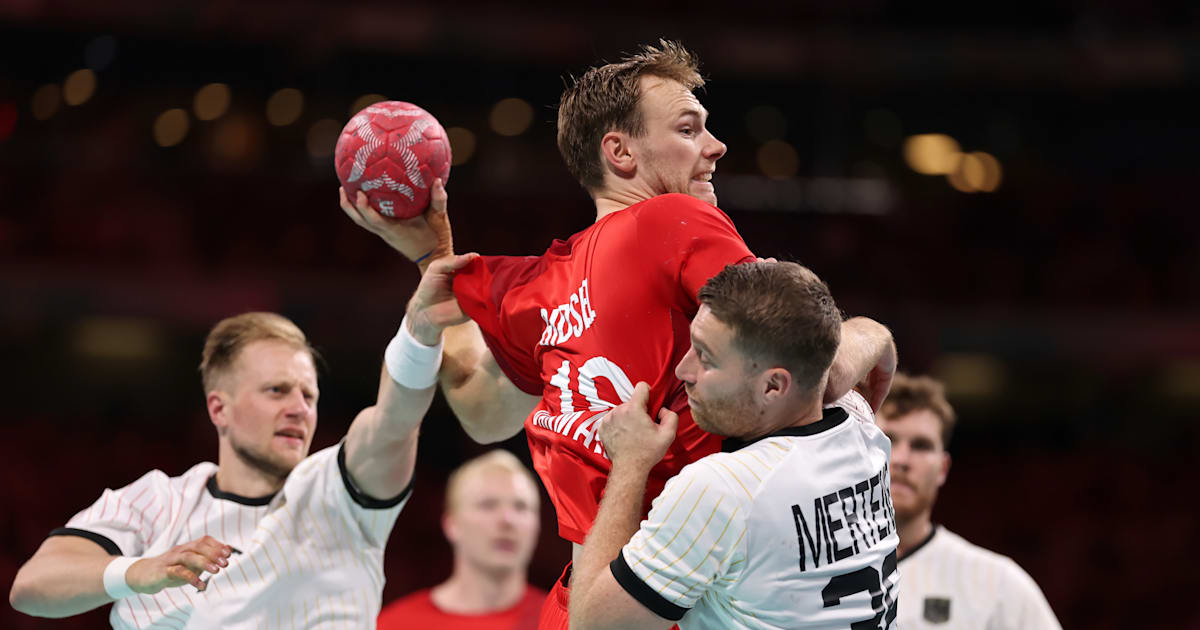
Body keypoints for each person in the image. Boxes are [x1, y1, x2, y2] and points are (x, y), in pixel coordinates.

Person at [340, 40, 894, 629]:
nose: (716, 146)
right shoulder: (674, 219)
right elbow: (810, 367)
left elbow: (482, 414)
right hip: (673, 602)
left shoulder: (539, 287)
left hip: (587, 598)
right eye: (688, 129)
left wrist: (431, 257)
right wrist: (872, 335)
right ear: (620, 152)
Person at [8, 256, 473, 628]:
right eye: (277, 390)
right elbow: (31, 587)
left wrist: (419, 331)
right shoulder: (157, 500)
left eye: (308, 395)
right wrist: (136, 572)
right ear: (219, 409)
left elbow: (394, 421)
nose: (299, 408)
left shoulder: (338, 490)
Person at [569, 261, 899, 629]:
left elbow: (591, 625)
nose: (683, 370)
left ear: (773, 386)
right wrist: (859, 352)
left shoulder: (721, 489)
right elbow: (869, 334)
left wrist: (629, 463)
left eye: (706, 358)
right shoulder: (860, 423)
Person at [875, 373, 1061, 629]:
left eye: (921, 446)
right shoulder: (820, 570)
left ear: (943, 469)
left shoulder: (997, 585)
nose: (901, 459)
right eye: (888, 440)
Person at [377, 450, 545, 630]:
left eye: (521, 507)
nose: (507, 520)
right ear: (451, 524)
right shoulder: (394, 624)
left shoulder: (560, 622)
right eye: (488, 505)